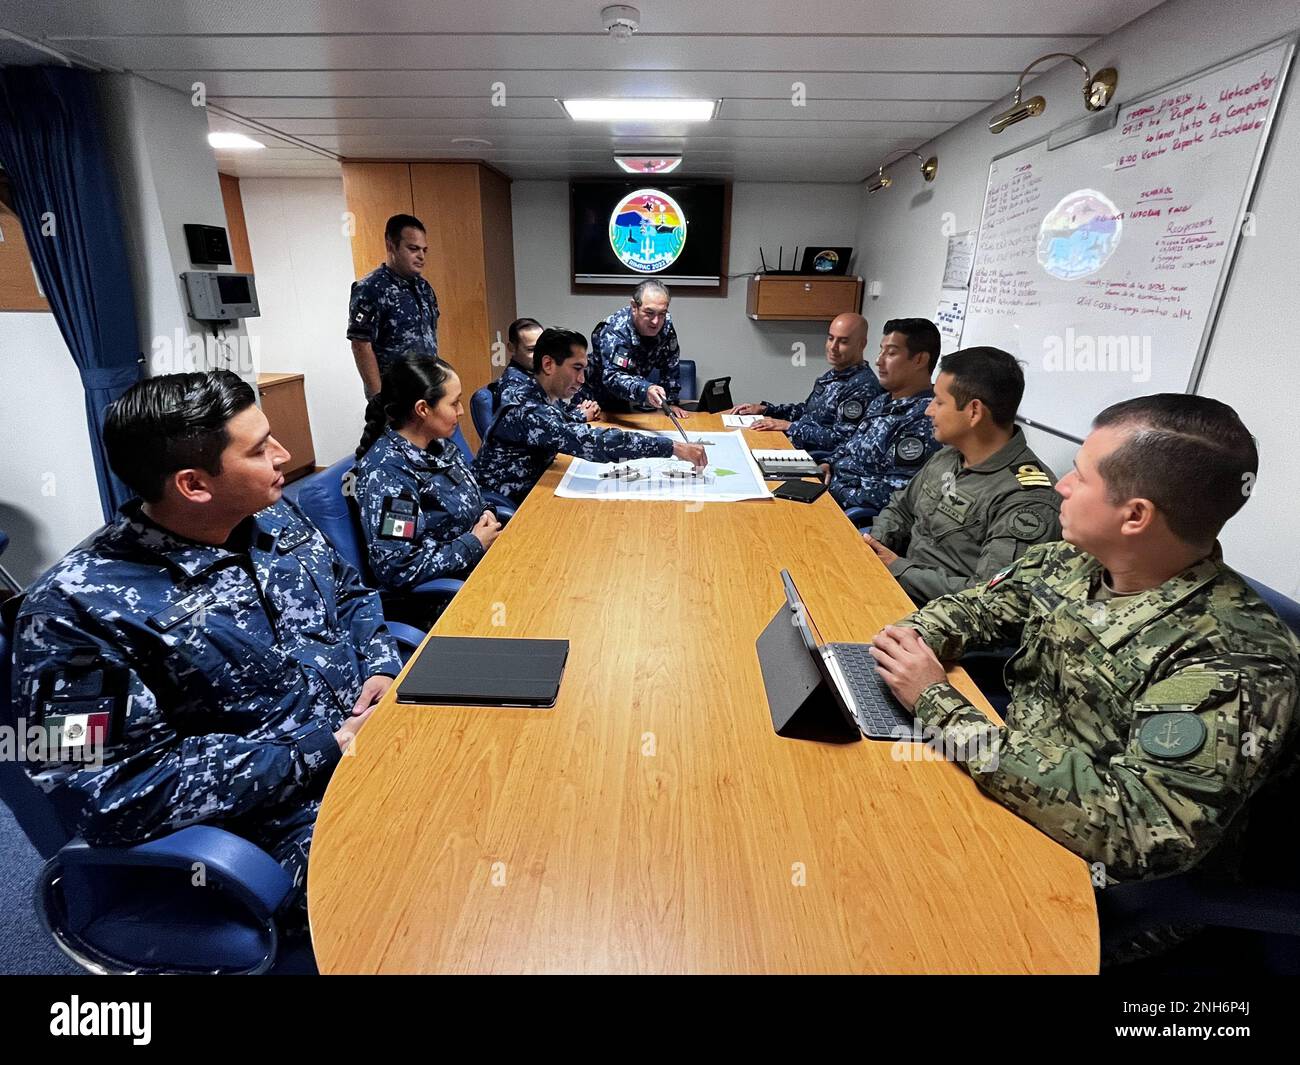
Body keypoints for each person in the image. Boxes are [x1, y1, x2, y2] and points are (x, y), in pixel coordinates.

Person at [11, 371, 401, 921]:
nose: (284, 455)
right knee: (456, 883)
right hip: (278, 825)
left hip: (377, 743)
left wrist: (381, 666)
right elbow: (103, 792)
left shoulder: (271, 514)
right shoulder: (74, 611)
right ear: (194, 484)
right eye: (261, 448)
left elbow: (349, 591)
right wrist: (323, 747)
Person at [870, 393, 1300, 891]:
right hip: (1001, 775)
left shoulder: (1233, 658)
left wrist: (939, 706)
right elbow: (974, 608)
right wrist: (913, 640)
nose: (1061, 486)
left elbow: (1140, 830)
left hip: (1090, 875)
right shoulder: (1073, 561)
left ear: (1134, 515)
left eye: (1081, 476)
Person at [865, 346, 1061, 604]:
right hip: (896, 588)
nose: (928, 411)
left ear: (974, 412)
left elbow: (990, 596)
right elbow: (901, 509)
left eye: (939, 402)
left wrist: (898, 568)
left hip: (943, 621)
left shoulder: (1027, 498)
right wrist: (874, 544)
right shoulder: (948, 456)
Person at [473, 327, 706, 504]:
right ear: (548, 364)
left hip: (536, 487)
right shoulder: (527, 407)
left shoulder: (537, 393)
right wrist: (672, 447)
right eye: (576, 368)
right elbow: (592, 442)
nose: (582, 379)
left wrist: (574, 418)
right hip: (510, 503)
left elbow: (555, 425)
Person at [351, 354, 502, 626]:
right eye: (453, 403)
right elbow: (398, 566)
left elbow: (470, 495)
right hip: (441, 598)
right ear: (423, 409)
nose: (461, 411)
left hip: (480, 568)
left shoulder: (438, 445)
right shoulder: (391, 475)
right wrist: (473, 544)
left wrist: (486, 512)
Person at [818, 319, 942, 512]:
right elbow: (851, 445)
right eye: (881, 351)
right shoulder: (882, 401)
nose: (878, 360)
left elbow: (895, 495)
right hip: (831, 492)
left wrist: (834, 487)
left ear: (920, 360)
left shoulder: (924, 418)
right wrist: (829, 464)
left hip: (849, 512)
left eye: (891, 353)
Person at [733, 313, 884, 452]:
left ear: (861, 344)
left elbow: (842, 440)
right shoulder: (835, 374)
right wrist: (767, 410)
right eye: (831, 338)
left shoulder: (862, 387)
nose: (833, 347)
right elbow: (808, 412)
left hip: (818, 459)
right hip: (796, 446)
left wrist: (789, 426)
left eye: (843, 341)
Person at [347, 213, 440, 397]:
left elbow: (431, 336)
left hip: (427, 389)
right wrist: (378, 400)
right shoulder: (371, 289)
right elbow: (360, 345)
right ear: (391, 246)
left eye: (424, 250)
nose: (421, 256)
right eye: (413, 248)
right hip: (395, 397)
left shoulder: (424, 288)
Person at [587, 280, 687, 417]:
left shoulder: (666, 325)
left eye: (662, 314)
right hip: (593, 400)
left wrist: (671, 402)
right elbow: (613, 376)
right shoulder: (615, 329)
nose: (656, 321)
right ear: (634, 307)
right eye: (649, 313)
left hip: (624, 402)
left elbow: (670, 364)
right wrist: (646, 389)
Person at [493, 316, 599, 421]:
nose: (541, 353)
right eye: (532, 349)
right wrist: (580, 415)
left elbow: (558, 410)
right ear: (512, 348)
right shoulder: (513, 385)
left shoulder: (536, 376)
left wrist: (581, 410)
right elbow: (544, 421)